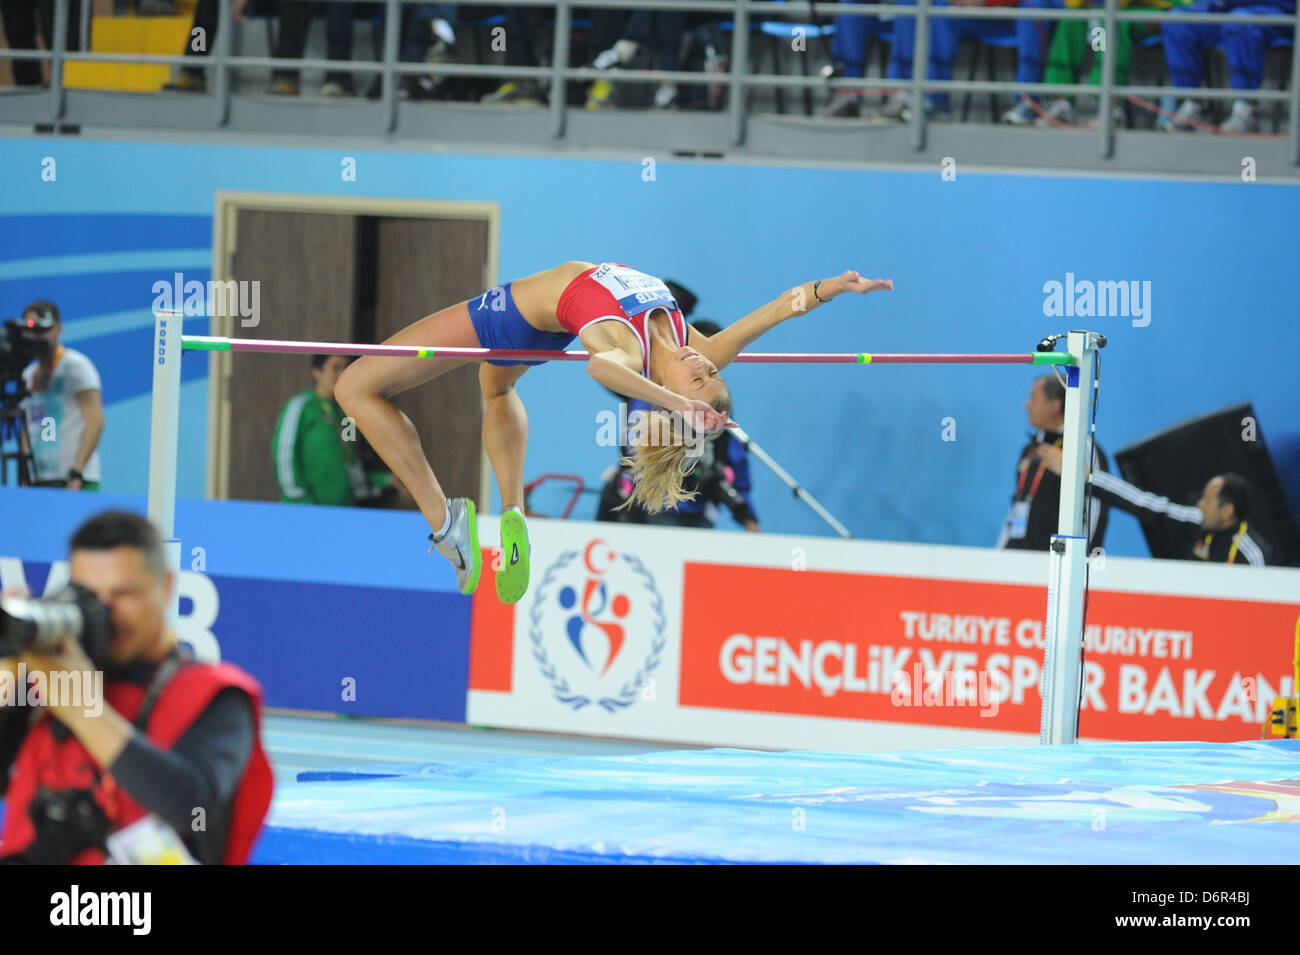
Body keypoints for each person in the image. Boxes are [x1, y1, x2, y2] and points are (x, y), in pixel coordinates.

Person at [334, 261, 891, 604]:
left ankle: (446, 521)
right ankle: (512, 513)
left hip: (517, 313)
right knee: (497, 390)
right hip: (545, 323)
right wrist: (836, 288)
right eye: (712, 375)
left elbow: (601, 368)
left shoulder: (626, 353)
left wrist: (677, 403)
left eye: (701, 385)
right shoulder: (697, 345)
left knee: (354, 389)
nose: (705, 369)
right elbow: (777, 310)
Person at [0, 511, 274, 864]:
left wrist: (85, 711)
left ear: (167, 586)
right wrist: (9, 676)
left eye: (124, 593)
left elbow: (191, 808)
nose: (106, 612)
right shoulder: (45, 679)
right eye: (90, 596)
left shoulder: (215, 695)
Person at [597, 320, 760, 531]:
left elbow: (734, 462)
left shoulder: (716, 410)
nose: (701, 364)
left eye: (710, 373)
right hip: (642, 509)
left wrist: (747, 517)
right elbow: (598, 366)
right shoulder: (643, 385)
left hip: (697, 511)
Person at [1035, 456, 1273, 564]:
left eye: (1207, 500)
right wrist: (1089, 478)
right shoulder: (1197, 522)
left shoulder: (1252, 555)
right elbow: (1146, 504)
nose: (1199, 504)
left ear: (1227, 511)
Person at [996, 373, 1109, 552]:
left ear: (1054, 406)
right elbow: (1018, 507)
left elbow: (1095, 507)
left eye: (1033, 398)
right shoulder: (1030, 450)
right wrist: (1000, 553)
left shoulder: (1082, 448)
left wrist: (1081, 558)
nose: (1027, 405)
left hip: (1055, 563)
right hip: (1017, 558)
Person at [1158, 0, 1295, 132]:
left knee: (1239, 21)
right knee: (1177, 21)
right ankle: (1194, 105)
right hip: (1224, 8)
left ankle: (1246, 109)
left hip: (1272, 8)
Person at [272, 354, 389, 505]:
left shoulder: (347, 414)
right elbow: (284, 457)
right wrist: (301, 502)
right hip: (306, 511)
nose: (342, 374)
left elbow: (352, 463)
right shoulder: (301, 406)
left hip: (344, 511)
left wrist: (386, 480)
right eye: (335, 368)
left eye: (346, 369)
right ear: (317, 372)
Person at [18, 301, 105, 490]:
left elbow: (96, 421)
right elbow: (27, 425)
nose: (37, 336)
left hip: (74, 480)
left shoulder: (76, 367)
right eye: (32, 329)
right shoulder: (27, 374)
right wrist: (25, 474)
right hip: (38, 479)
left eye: (43, 329)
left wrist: (77, 472)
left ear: (58, 328)